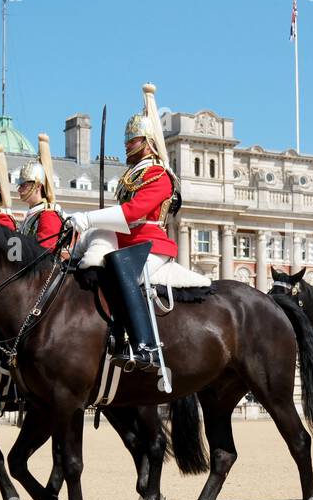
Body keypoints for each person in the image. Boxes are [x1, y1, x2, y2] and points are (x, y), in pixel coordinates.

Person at [68, 83, 210, 373]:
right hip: (129, 243)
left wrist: (89, 218)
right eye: (127, 139)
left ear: (147, 142)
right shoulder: (132, 175)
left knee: (124, 273)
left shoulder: (159, 175)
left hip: (151, 246)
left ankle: (145, 347)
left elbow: (133, 213)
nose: (126, 144)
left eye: (132, 140)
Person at [15, 160, 64, 251]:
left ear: (38, 186)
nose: (19, 190)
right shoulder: (33, 214)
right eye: (19, 186)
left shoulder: (48, 214)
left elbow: (44, 251)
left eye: (23, 185)